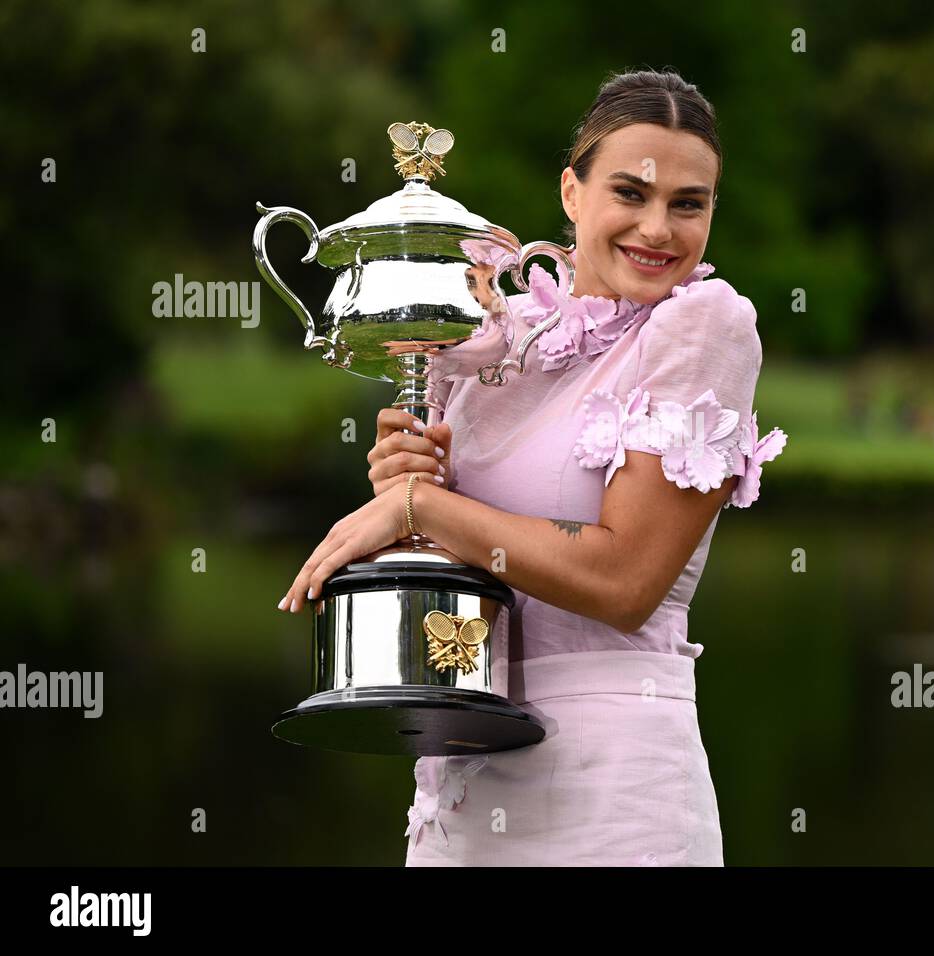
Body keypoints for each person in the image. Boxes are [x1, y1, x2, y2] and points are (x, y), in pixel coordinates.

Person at [277, 67, 787, 865]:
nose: (659, 228)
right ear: (571, 194)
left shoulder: (703, 333)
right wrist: (407, 490)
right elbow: (460, 562)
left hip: (616, 800)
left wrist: (421, 508)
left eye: (689, 204)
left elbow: (623, 583)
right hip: (460, 780)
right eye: (631, 193)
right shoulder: (487, 338)